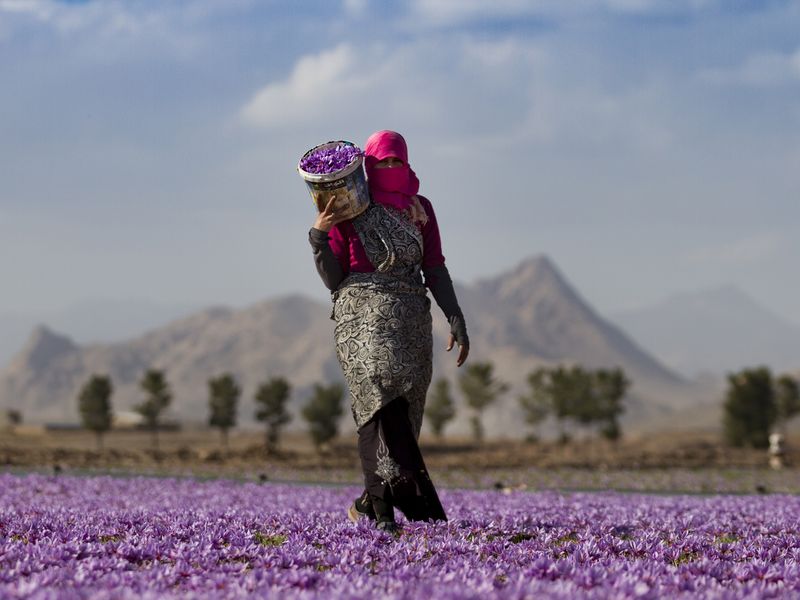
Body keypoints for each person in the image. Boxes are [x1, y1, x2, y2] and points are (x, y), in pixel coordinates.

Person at [308, 130, 469, 532]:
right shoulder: (349, 208)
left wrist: (455, 316)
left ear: (408, 164)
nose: (390, 169)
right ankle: (382, 519)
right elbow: (334, 279)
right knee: (376, 402)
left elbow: (434, 267)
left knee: (406, 415)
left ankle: (368, 502)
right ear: (366, 165)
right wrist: (318, 237)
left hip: (412, 317)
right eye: (381, 163)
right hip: (361, 317)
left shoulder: (420, 208)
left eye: (397, 162)